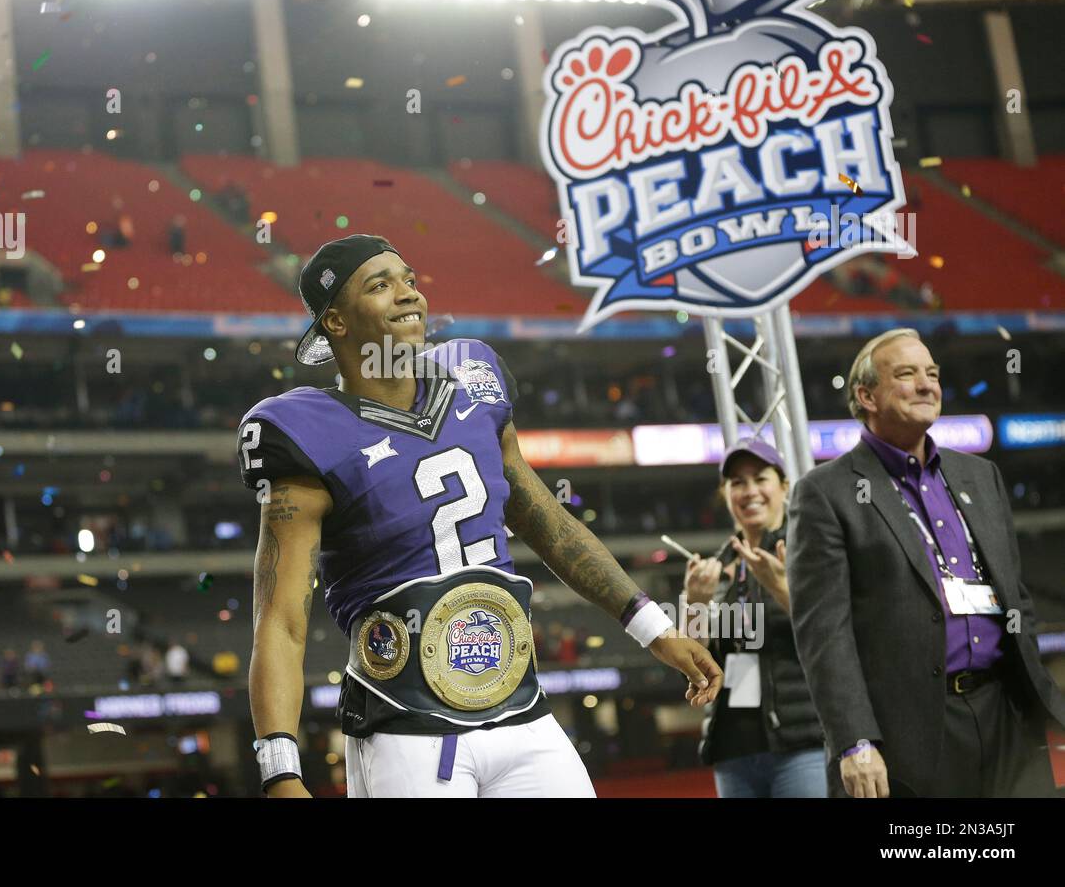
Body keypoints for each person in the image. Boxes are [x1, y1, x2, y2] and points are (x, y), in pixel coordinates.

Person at [238, 234, 722, 798]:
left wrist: (652, 627)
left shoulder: (474, 376)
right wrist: (279, 767)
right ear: (336, 324)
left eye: (409, 279)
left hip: (522, 708)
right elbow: (280, 617)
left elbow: (547, 521)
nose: (408, 295)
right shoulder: (301, 430)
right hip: (406, 721)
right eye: (380, 285)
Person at [788, 328, 1065, 797]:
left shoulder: (980, 474)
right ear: (866, 395)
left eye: (932, 373)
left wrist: (1035, 697)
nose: (926, 384)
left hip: (1007, 718)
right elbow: (825, 636)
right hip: (911, 734)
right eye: (906, 374)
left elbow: (1016, 597)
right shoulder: (826, 492)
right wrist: (854, 740)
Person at [682, 437, 825, 798]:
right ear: (725, 493)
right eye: (737, 483)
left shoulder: (809, 547)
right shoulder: (717, 567)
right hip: (734, 750)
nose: (750, 491)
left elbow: (832, 635)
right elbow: (696, 665)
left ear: (783, 485)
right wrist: (696, 603)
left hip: (803, 742)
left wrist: (781, 588)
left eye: (760, 479)